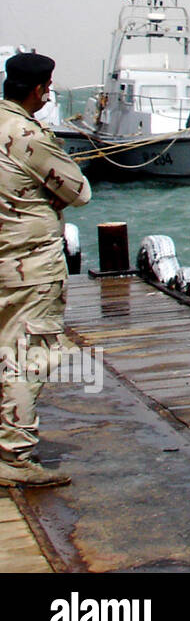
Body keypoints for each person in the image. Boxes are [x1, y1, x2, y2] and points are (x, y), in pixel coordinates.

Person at [0, 53, 91, 488]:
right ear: (38, 90)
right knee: (29, 356)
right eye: (48, 87)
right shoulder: (26, 134)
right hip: (29, 265)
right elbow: (78, 191)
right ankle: (13, 456)